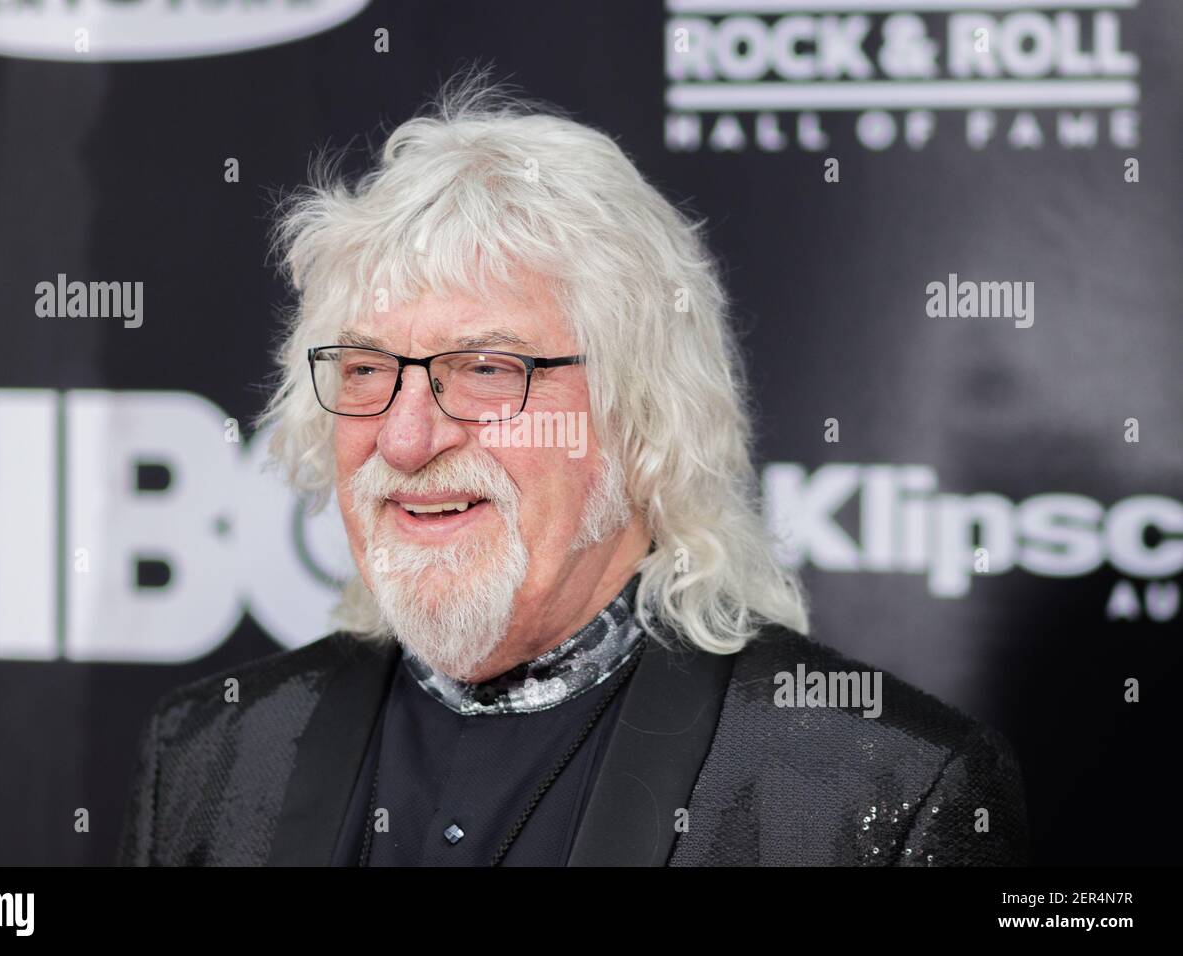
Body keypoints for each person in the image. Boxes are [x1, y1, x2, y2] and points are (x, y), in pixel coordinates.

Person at [116, 74, 1027, 867]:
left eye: (484, 368)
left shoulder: (877, 795)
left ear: (642, 412)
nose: (404, 440)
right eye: (364, 371)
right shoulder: (211, 755)